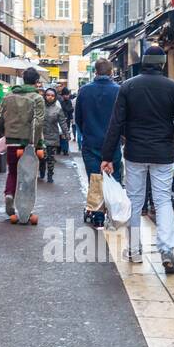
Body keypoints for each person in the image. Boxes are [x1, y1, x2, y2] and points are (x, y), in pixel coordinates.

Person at [101, 45, 174, 274]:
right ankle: (167, 250)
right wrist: (167, 129)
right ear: (162, 63)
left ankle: (134, 250)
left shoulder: (128, 86)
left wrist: (107, 156)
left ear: (143, 61)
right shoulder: (173, 87)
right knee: (162, 201)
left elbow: (115, 123)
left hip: (135, 152)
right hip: (162, 152)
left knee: (134, 200)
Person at [74, 59, 121, 226]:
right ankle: (116, 213)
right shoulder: (118, 90)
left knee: (95, 179)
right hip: (113, 143)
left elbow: (78, 118)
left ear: (95, 72)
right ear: (111, 72)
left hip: (91, 141)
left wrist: (86, 132)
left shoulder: (84, 91)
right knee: (113, 178)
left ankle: (98, 216)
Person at [0, 67, 45, 223]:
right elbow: (38, 123)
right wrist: (37, 143)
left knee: (13, 171)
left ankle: (9, 194)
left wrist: (2, 132)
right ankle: (25, 210)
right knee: (28, 177)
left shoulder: (8, 97)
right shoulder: (37, 98)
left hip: (11, 140)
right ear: (36, 82)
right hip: (28, 143)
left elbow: (0, 119)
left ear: (23, 79)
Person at [40, 86, 67, 183]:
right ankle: (41, 171)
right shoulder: (40, 106)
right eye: (48, 95)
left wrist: (66, 134)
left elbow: (62, 122)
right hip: (41, 136)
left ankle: (50, 175)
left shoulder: (57, 109)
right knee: (42, 157)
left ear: (55, 97)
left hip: (53, 136)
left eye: (52, 95)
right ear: (44, 96)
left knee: (50, 158)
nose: (50, 97)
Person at [58, 86, 75, 154]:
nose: (67, 96)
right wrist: (70, 110)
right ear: (63, 95)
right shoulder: (61, 101)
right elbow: (68, 109)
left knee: (65, 134)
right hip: (61, 120)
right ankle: (62, 149)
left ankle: (64, 150)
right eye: (66, 95)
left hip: (66, 120)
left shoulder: (68, 101)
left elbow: (70, 110)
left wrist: (70, 118)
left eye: (68, 95)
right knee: (62, 135)